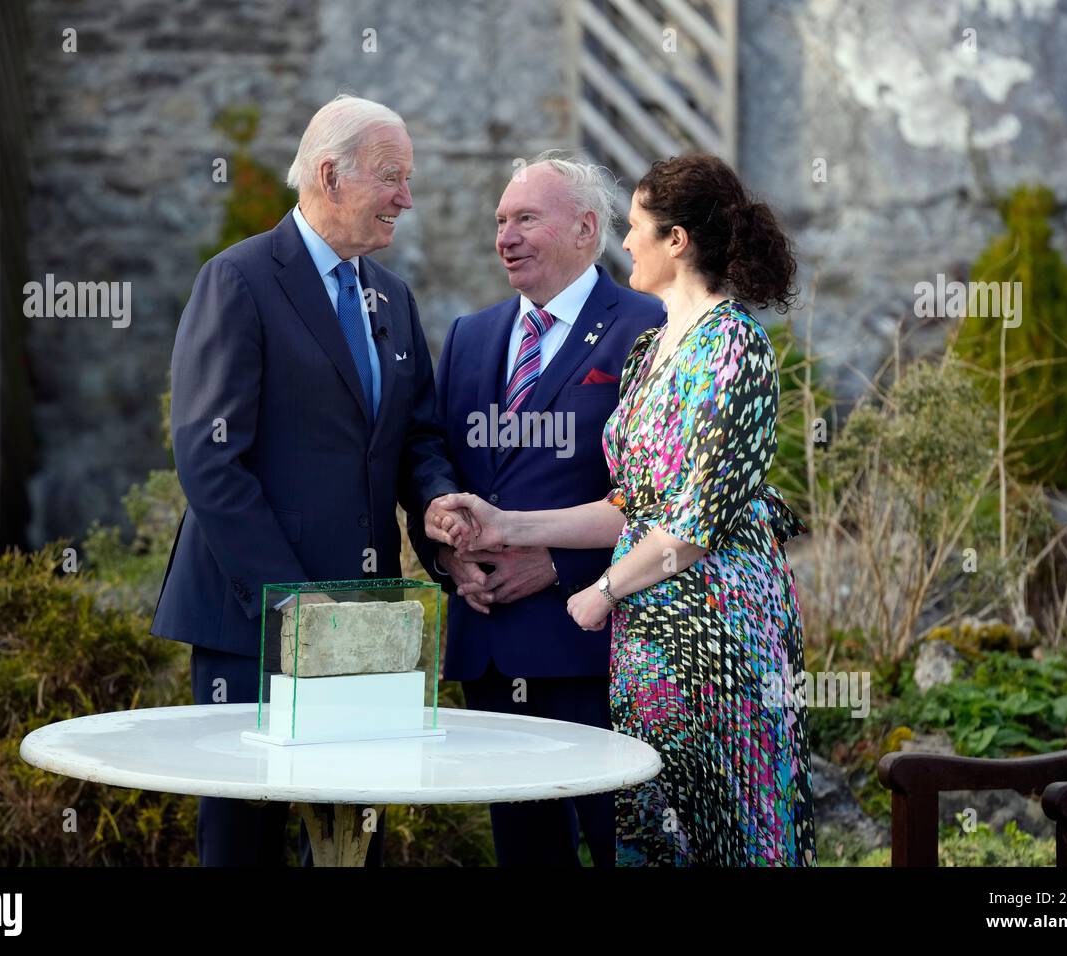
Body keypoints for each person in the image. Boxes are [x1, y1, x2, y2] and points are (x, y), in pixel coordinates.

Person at [430, 154, 816, 866]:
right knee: (656, 841)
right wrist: (505, 526)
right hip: (647, 643)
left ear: (678, 241)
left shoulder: (737, 346)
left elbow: (695, 520)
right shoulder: (650, 349)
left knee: (723, 832)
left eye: (636, 228)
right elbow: (629, 503)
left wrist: (600, 590)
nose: (625, 241)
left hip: (716, 637)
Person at [151, 94, 470, 866]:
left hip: (364, 625)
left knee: (349, 841)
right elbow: (209, 457)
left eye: (408, 179)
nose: (407, 198)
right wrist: (293, 602)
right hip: (251, 620)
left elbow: (413, 438)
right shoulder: (239, 281)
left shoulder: (392, 298)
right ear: (330, 175)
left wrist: (438, 511)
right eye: (392, 178)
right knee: (243, 844)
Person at [408, 153, 664, 866]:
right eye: (499, 221)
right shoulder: (471, 335)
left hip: (600, 642)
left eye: (525, 218)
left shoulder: (650, 327)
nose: (506, 236)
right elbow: (431, 451)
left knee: (623, 847)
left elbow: (664, 495)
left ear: (586, 228)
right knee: (524, 852)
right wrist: (446, 543)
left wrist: (558, 564)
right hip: (488, 642)